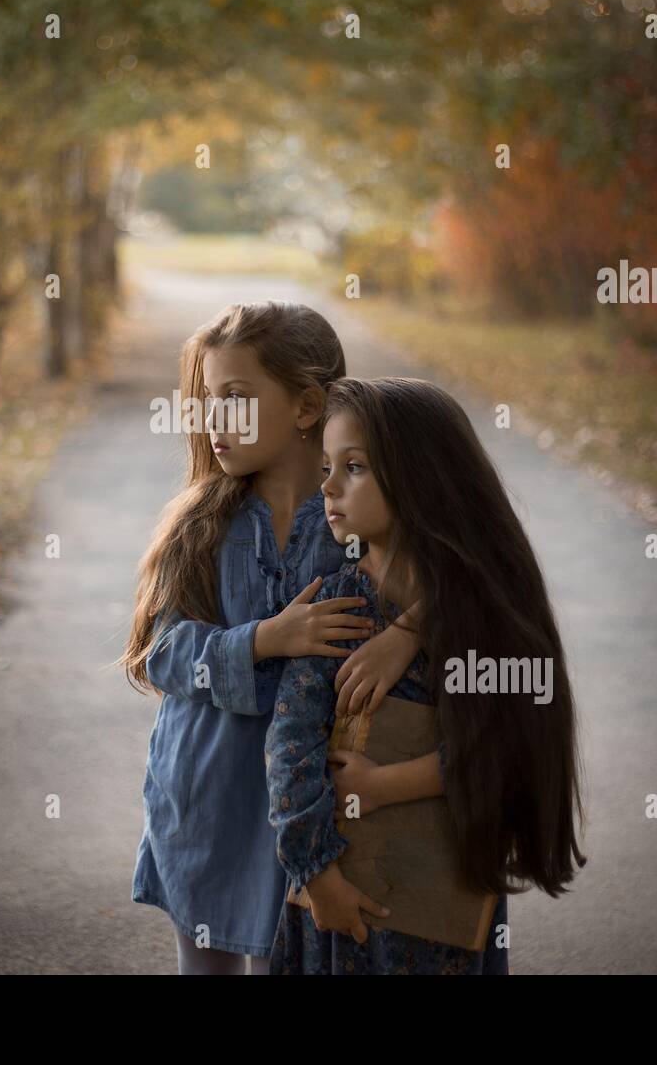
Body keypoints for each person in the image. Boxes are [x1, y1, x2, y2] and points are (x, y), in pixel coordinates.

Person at [120, 303, 422, 975]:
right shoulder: (200, 524)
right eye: (207, 400)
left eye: (236, 398)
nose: (213, 420)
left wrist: (406, 633)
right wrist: (262, 640)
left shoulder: (357, 513)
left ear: (307, 406)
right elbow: (159, 654)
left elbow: (458, 579)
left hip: (312, 809)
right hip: (205, 795)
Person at [266, 376, 588, 974]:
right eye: (327, 468)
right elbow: (290, 750)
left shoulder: (482, 620)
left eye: (354, 466)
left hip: (443, 906)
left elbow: (508, 745)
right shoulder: (336, 609)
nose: (329, 486)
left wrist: (383, 785)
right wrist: (318, 874)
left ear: (421, 479)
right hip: (341, 903)